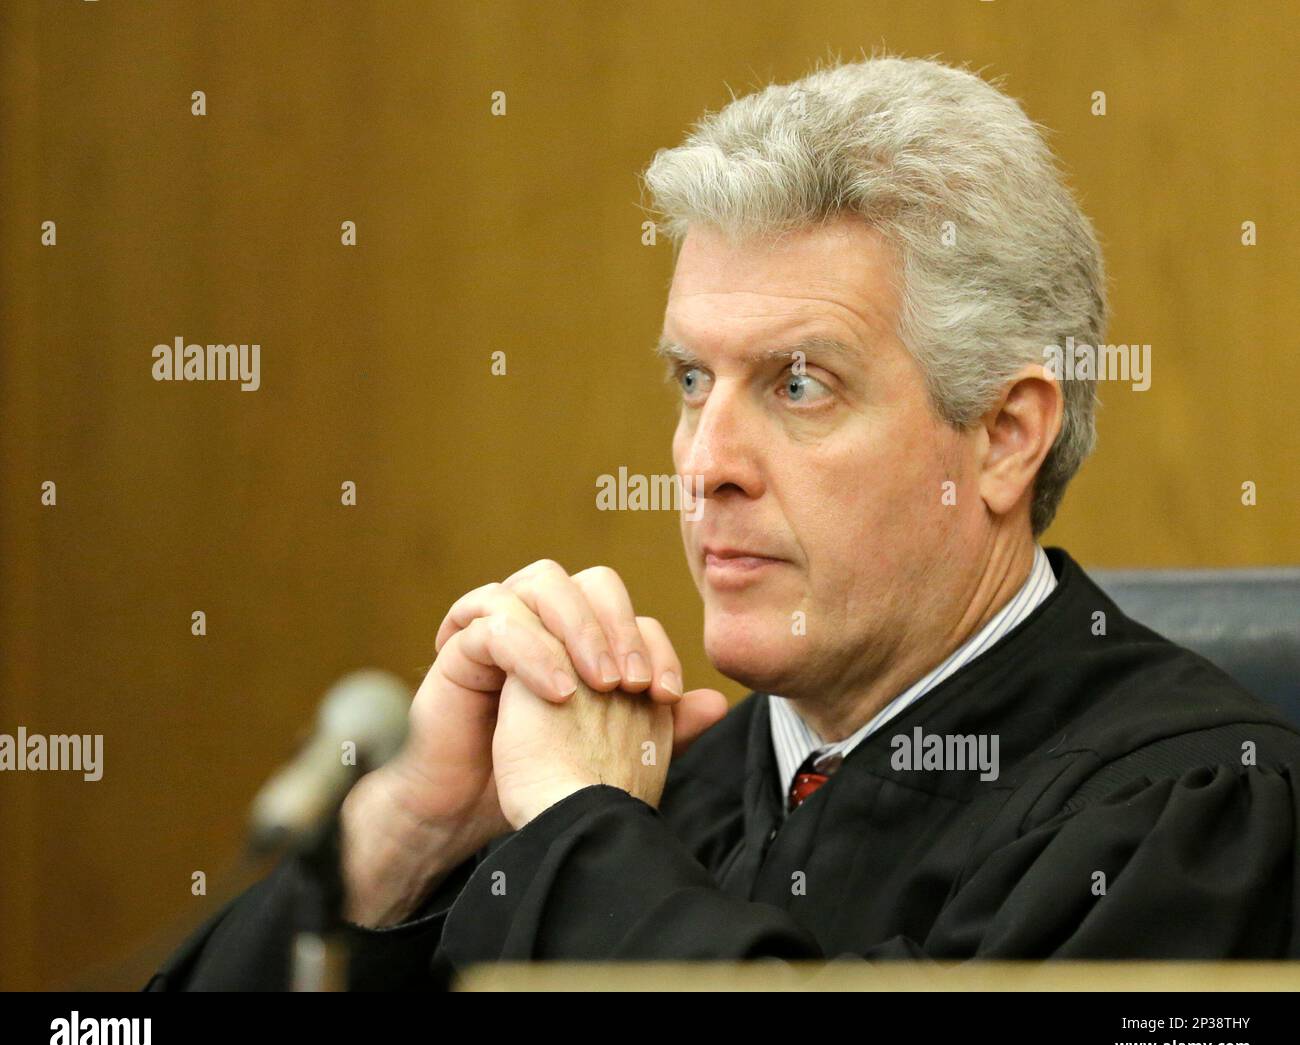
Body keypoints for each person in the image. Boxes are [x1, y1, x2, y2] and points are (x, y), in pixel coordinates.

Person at [146, 54, 1300, 991]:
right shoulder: (650, 786)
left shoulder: (1191, 817)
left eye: (798, 384)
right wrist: (406, 840)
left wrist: (585, 839)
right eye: (692, 381)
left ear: (1003, 435)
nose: (703, 465)